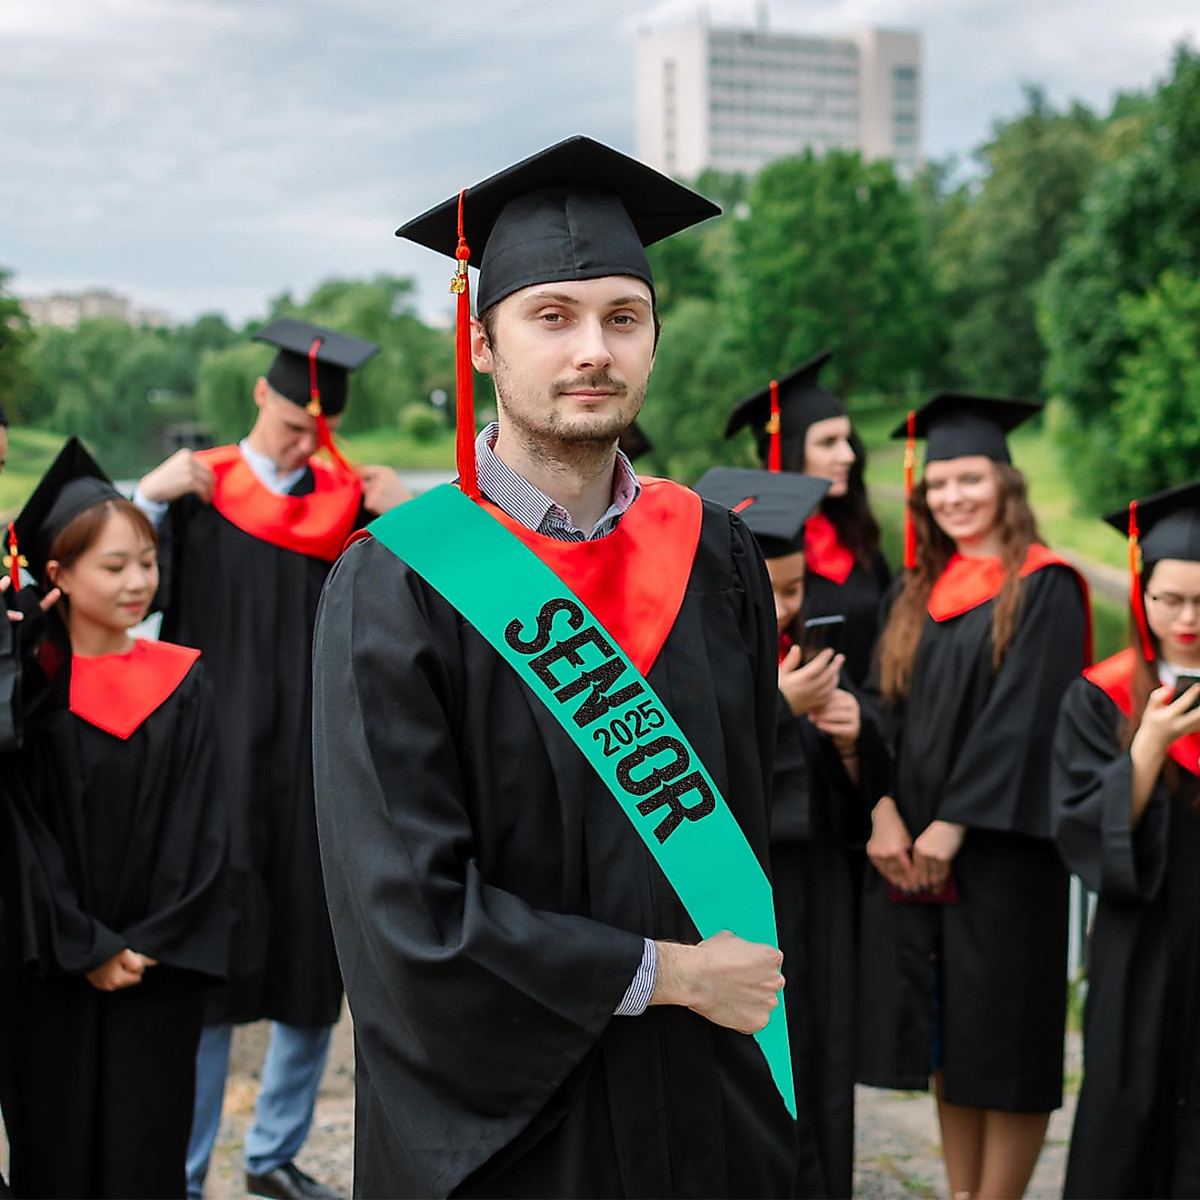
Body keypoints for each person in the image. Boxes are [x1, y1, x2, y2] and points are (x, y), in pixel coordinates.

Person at [312, 135, 799, 1198]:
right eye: (553, 317)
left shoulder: (715, 555)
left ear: (656, 340)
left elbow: (755, 813)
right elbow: (406, 914)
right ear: (481, 344)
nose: (594, 350)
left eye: (624, 318)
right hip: (518, 1128)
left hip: (709, 1100)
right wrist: (666, 974)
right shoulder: (400, 582)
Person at [133, 320, 411, 1200]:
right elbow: (132, 597)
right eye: (292, 420)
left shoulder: (352, 507)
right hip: (210, 763)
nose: (301, 441)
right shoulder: (194, 493)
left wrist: (403, 517)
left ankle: (274, 1156)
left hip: (319, 763)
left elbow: (419, 618)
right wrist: (143, 501)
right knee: (206, 961)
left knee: (310, 956)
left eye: (315, 430)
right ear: (261, 394)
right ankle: (182, 1166)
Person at [857, 394, 1091, 1200]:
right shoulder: (917, 591)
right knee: (949, 1035)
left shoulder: (1046, 586)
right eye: (941, 484)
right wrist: (883, 812)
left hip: (1003, 855)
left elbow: (1024, 719)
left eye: (971, 480)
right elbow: (879, 716)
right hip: (917, 855)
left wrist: (952, 826)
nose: (953, 497)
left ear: (1006, 483)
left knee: (1011, 1040)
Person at [0, 438, 229, 1198]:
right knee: (52, 1154)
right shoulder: (23, 700)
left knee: (145, 1155)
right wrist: (83, 944)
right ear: (56, 576)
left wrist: (148, 943)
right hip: (48, 971)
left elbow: (205, 829)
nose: (139, 582)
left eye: (148, 560)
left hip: (155, 974)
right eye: (114, 565)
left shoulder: (182, 679)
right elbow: (18, 835)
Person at [695, 466, 890, 1198]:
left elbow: (856, 794)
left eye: (798, 590)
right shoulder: (687, 655)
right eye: (768, 591)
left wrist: (850, 740)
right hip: (738, 894)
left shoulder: (813, 651)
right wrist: (776, 706)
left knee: (822, 1059)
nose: (782, 610)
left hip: (817, 891)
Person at [1052, 481, 1200, 1197]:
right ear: (1141, 591)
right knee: (1127, 1101)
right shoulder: (1101, 693)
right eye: (1168, 599)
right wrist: (1148, 750)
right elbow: (1078, 826)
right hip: (1138, 941)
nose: (1186, 620)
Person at [725, 351, 890, 686]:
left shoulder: (858, 540)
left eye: (848, 440)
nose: (848, 456)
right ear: (787, 450)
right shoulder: (744, 548)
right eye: (828, 443)